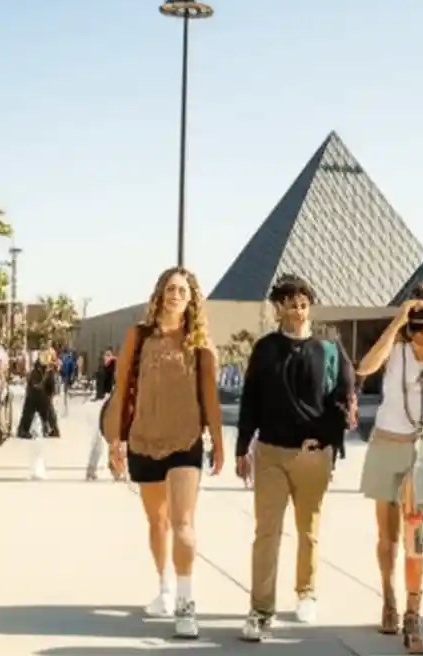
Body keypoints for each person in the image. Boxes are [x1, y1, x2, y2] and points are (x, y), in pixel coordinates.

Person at [103, 267, 224, 639]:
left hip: (186, 441)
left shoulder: (200, 343)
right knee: (158, 521)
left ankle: (187, 604)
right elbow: (121, 389)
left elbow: (211, 398)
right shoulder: (137, 337)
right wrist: (114, 441)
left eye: (182, 291)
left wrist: (218, 442)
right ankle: (165, 589)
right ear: (159, 294)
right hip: (143, 440)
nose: (175, 295)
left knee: (184, 521)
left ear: (192, 299)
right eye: (170, 288)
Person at [236, 274, 356, 642]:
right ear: (279, 308)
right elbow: (250, 400)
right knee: (266, 533)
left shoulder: (329, 348)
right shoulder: (266, 349)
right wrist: (242, 448)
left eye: (303, 303)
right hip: (270, 451)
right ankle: (260, 609)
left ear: (310, 307)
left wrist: (331, 445)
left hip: (312, 454)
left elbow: (344, 396)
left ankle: (307, 592)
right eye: (290, 304)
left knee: (309, 531)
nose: (298, 310)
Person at [355, 281, 423, 655]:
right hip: (387, 443)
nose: (420, 322)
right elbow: (365, 367)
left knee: (416, 535)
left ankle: (413, 615)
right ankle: (388, 595)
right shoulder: (397, 348)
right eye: (415, 313)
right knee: (389, 537)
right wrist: (398, 319)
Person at [86, 347, 116, 481]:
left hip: (105, 403)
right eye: (106, 355)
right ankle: (92, 469)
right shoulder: (104, 369)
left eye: (110, 355)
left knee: (108, 440)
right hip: (102, 404)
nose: (108, 357)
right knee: (99, 440)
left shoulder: (109, 368)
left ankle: (113, 468)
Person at [17, 350, 59, 438]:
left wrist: (49, 396)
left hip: (41, 396)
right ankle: (23, 430)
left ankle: (52, 429)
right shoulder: (37, 370)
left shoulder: (48, 370)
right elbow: (32, 383)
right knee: (29, 413)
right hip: (35, 396)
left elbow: (51, 387)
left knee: (48, 413)